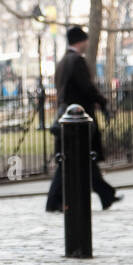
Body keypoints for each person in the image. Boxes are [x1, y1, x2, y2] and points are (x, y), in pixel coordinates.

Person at [46, 27, 121, 212]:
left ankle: (106, 195)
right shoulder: (77, 61)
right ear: (80, 41)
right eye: (86, 40)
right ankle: (54, 201)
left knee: (82, 160)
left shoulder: (63, 61)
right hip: (79, 120)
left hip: (68, 119)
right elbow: (87, 88)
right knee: (74, 160)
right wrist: (103, 102)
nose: (87, 44)